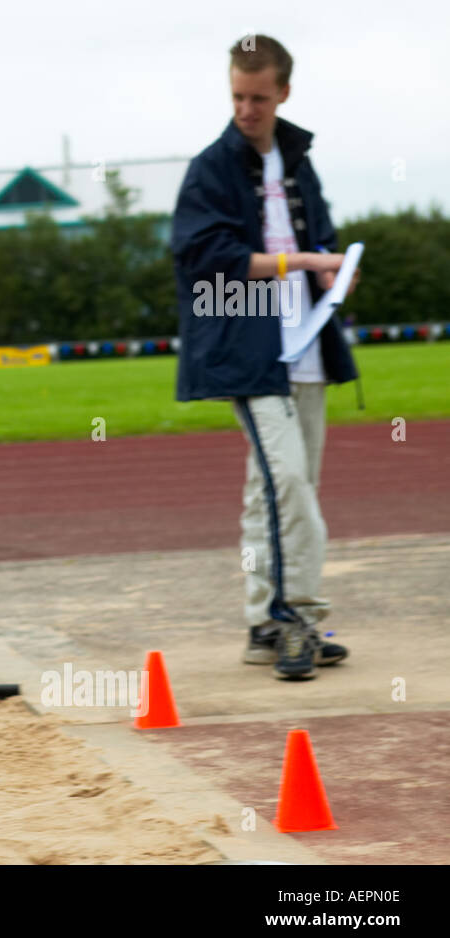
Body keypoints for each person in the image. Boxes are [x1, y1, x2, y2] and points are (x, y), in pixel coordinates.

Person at [172, 35, 360, 681]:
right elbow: (208, 262)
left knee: (268, 489)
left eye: (258, 97)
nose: (246, 109)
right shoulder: (210, 169)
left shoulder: (299, 163)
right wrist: (306, 262)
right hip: (247, 351)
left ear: (283, 92)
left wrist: (335, 273)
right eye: (236, 96)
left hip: (306, 348)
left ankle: (262, 624)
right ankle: (295, 617)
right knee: (289, 483)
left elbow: (325, 239)